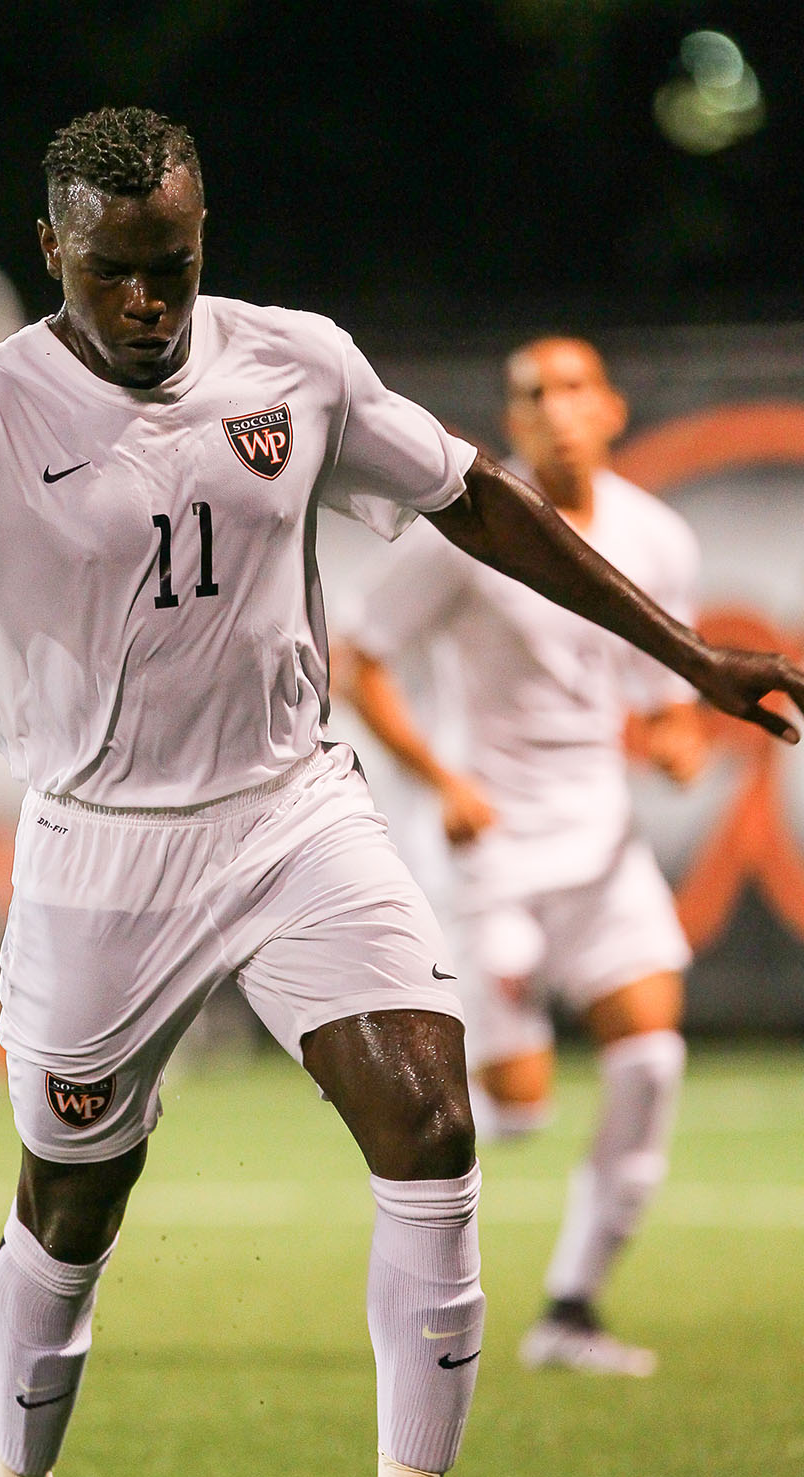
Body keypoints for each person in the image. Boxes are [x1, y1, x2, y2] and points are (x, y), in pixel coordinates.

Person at [0, 111, 804, 1477]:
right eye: (115, 272)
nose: (147, 303)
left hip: (291, 811)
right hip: (100, 848)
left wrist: (687, 655)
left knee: (433, 1119)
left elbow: (477, 497)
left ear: (205, 237)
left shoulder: (296, 365)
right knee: (72, 1203)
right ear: (52, 248)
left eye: (172, 268)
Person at [339, 337, 709, 1376]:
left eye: (573, 388)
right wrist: (440, 780)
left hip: (601, 844)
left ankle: (570, 1310)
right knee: (513, 1117)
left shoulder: (656, 536)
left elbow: (660, 687)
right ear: (513, 418)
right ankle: (431, 1280)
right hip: (489, 850)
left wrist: (677, 738)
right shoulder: (471, 531)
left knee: (649, 1060)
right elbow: (359, 660)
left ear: (614, 408)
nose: (552, 407)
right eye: (530, 393)